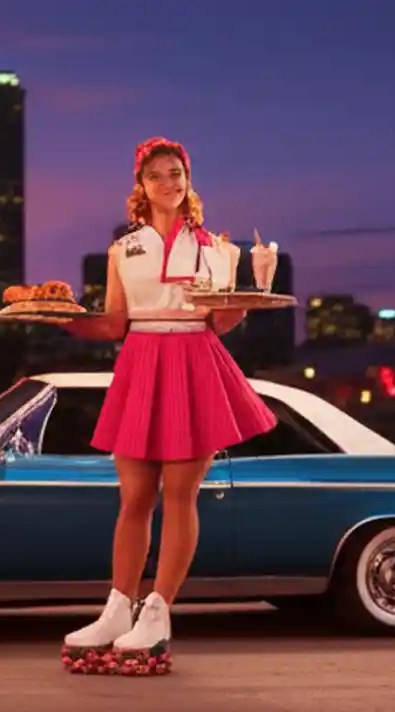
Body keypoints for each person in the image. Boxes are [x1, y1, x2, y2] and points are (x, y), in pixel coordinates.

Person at [54, 137, 278, 676]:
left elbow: (220, 319)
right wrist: (60, 317)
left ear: (188, 178)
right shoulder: (122, 250)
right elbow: (113, 324)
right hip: (140, 362)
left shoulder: (217, 249)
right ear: (142, 185)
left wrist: (247, 300)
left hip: (193, 362)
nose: (168, 182)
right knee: (134, 497)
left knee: (180, 494)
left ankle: (158, 612)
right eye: (156, 175)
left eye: (175, 172)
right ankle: (116, 609)